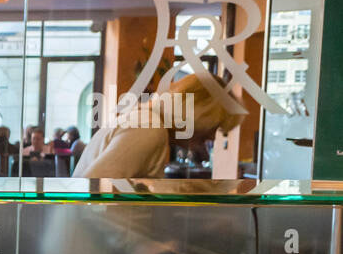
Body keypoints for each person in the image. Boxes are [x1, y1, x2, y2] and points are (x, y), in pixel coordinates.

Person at [73, 72, 242, 179]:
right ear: (198, 115)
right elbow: (96, 194)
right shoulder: (148, 129)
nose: (212, 137)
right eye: (214, 127)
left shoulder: (147, 123)